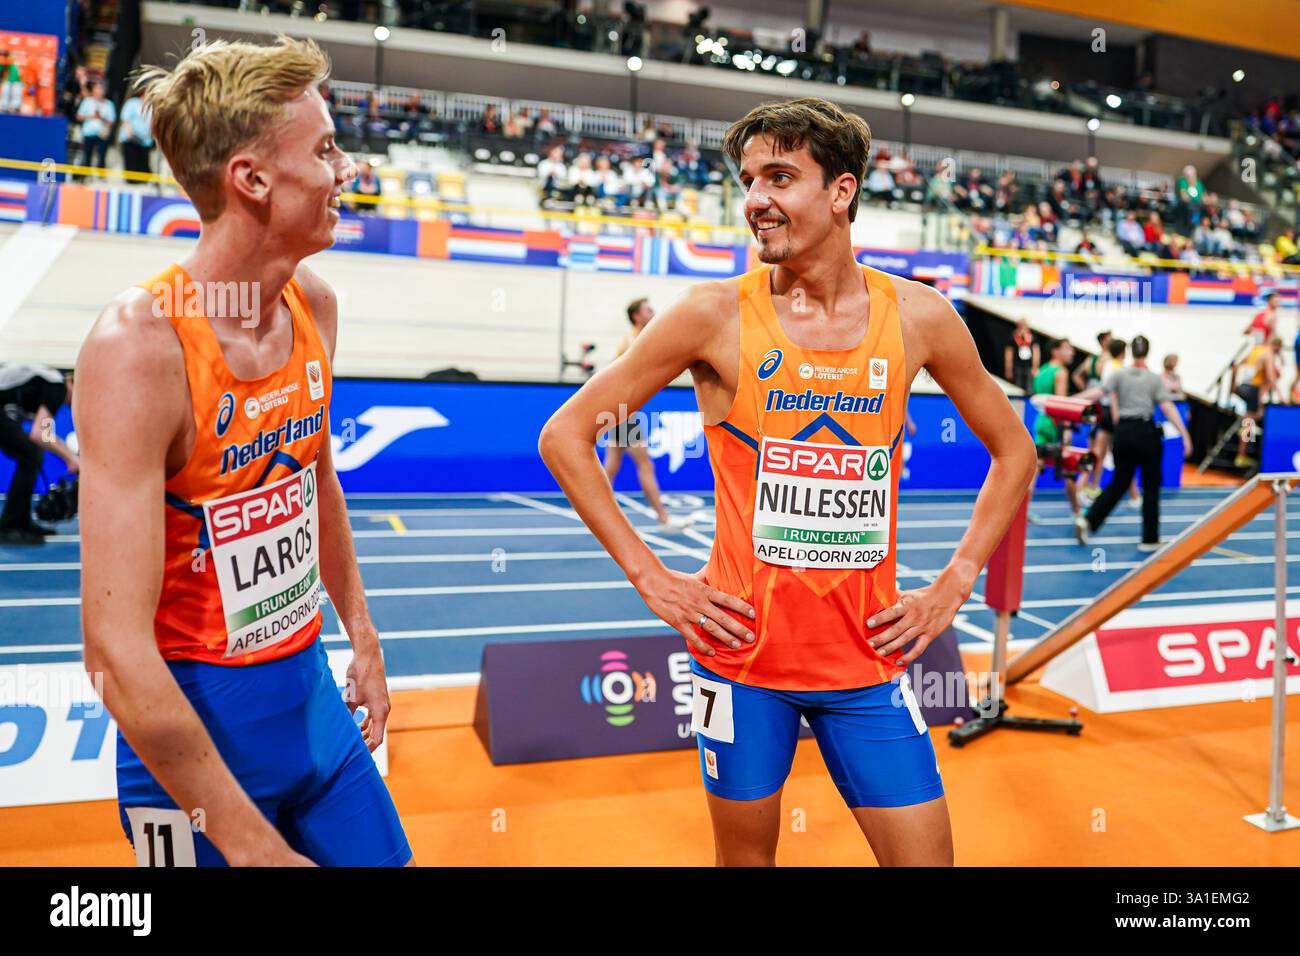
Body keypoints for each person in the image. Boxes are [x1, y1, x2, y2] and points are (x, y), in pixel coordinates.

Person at [539, 97, 1037, 867]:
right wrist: (653, 580)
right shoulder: (711, 315)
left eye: (780, 176)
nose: (756, 201)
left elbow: (1015, 452)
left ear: (841, 192)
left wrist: (954, 583)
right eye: (748, 181)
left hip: (870, 665)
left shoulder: (920, 317)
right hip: (739, 666)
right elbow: (566, 434)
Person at [75, 38, 411, 867]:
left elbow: (314, 476)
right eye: (326, 150)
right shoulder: (139, 348)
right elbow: (114, 654)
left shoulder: (316, 306)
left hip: (314, 712)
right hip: (192, 750)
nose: (346, 170)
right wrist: (249, 845)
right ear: (252, 180)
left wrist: (360, 630)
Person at [1075, 336, 1191, 550]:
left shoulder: (1119, 375)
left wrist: (1073, 399)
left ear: (1131, 352)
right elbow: (1167, 407)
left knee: (1119, 482)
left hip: (1123, 432)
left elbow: (1097, 393)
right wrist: (1185, 434)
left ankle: (1089, 520)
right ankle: (1149, 539)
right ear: (1147, 352)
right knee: (1150, 487)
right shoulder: (1155, 379)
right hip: (1146, 432)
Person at [601, 298, 690, 534]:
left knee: (611, 465)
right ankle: (663, 518)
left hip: (620, 409)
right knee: (645, 464)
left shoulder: (635, 339)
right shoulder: (633, 341)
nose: (653, 313)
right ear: (637, 317)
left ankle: (595, 513)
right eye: (649, 310)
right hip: (623, 410)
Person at [0, 364, 78, 545]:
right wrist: (72, 459)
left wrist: (70, 457)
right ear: (73, 384)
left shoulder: (49, 384)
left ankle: (21, 522)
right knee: (30, 457)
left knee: (32, 455)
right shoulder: (57, 386)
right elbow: (41, 435)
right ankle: (10, 527)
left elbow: (43, 434)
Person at [1031, 339, 1082, 517]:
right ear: (1055, 351)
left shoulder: (1042, 370)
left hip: (1041, 422)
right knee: (1069, 468)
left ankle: (1022, 512)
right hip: (1055, 424)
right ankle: (1078, 513)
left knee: (1034, 468)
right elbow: (1061, 404)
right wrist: (1066, 428)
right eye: (1067, 349)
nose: (1072, 352)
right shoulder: (1061, 372)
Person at [1232, 335, 1283, 467]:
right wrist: (1281, 396)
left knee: (1249, 419)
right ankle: (1241, 455)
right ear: (1277, 346)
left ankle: (1244, 441)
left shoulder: (1256, 350)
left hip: (1243, 387)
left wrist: (1233, 386)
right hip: (1253, 390)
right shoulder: (1269, 354)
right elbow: (1271, 378)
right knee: (1250, 421)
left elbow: (1236, 366)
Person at [76, 80, 115, 171]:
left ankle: (100, 175)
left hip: (102, 133)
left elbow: (112, 121)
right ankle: (85, 175)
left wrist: (101, 118)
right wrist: (91, 116)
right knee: (87, 155)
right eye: (97, 89)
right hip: (89, 133)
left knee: (101, 156)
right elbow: (79, 117)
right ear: (93, 90)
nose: (99, 91)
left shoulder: (109, 104)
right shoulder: (87, 101)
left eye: (101, 89)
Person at [118, 88, 155, 176]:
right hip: (131, 138)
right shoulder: (132, 103)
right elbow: (125, 118)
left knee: (143, 166)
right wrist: (129, 132)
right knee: (132, 164)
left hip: (145, 140)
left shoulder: (150, 106)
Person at [1004, 317, 1038, 392]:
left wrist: (1035, 366)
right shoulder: (1013, 337)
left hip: (1029, 365)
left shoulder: (1032, 337)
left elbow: (1036, 353)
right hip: (1017, 365)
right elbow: (1009, 354)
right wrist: (1008, 369)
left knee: (1029, 386)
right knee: (1018, 386)